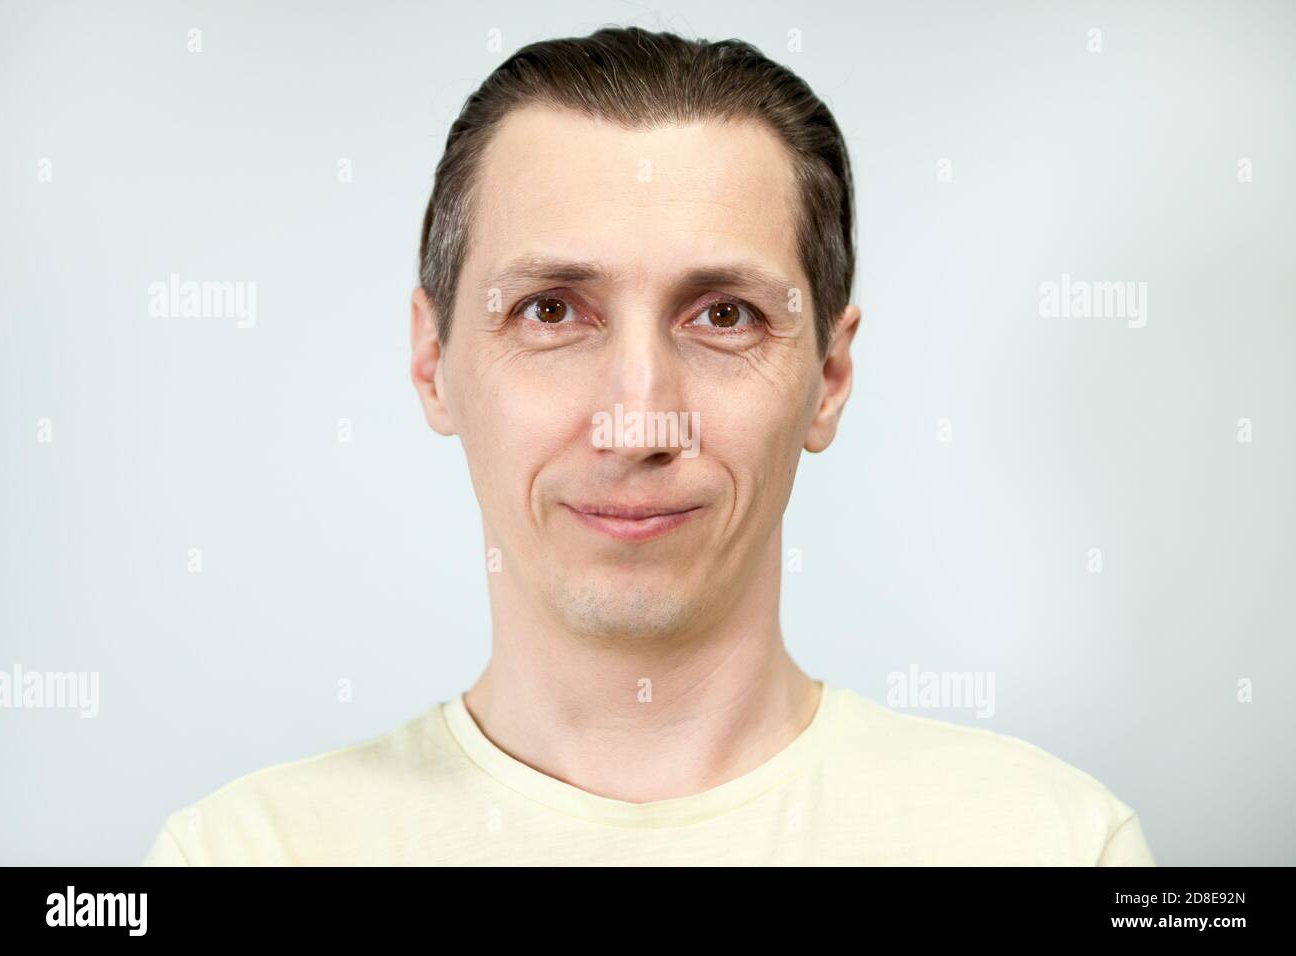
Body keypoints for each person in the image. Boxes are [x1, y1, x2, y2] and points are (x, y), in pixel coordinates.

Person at [142, 26, 1154, 866]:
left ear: (829, 378)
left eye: (723, 315)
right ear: (431, 360)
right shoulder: (243, 853)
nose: (637, 420)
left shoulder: (1047, 844)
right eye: (550, 309)